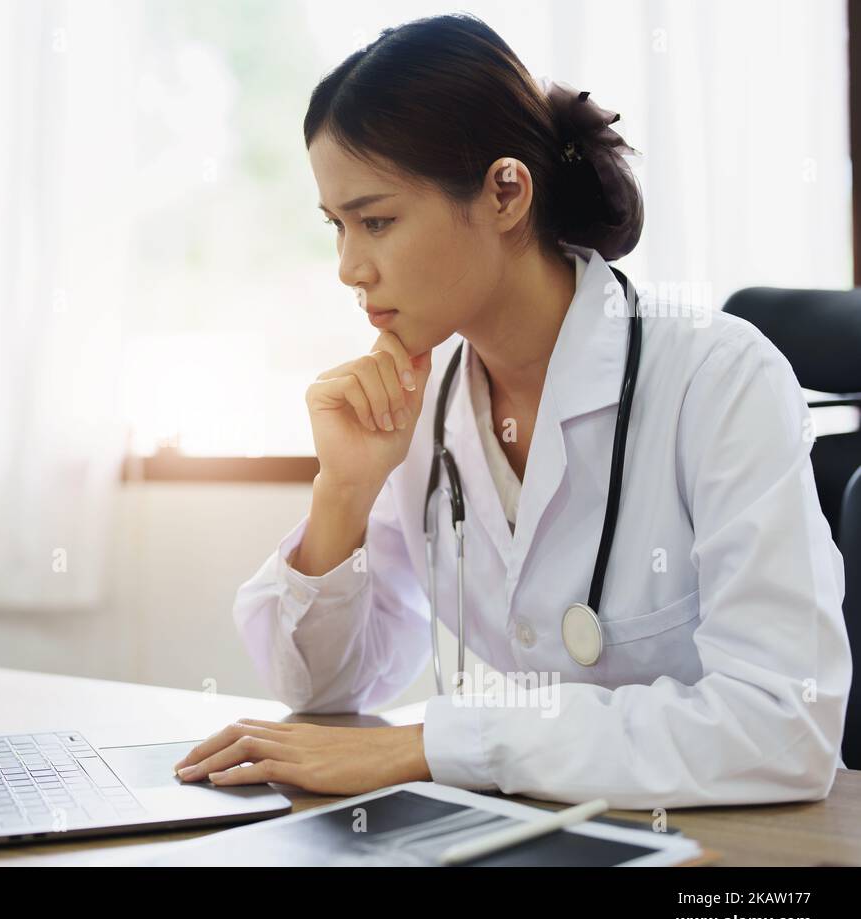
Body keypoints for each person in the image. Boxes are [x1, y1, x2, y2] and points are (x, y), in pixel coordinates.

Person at [172, 13, 850, 809]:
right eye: (337, 227)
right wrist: (343, 496)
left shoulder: (719, 379)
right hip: (540, 831)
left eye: (377, 220)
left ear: (505, 192)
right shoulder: (422, 409)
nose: (350, 268)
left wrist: (439, 745)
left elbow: (782, 729)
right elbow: (331, 694)